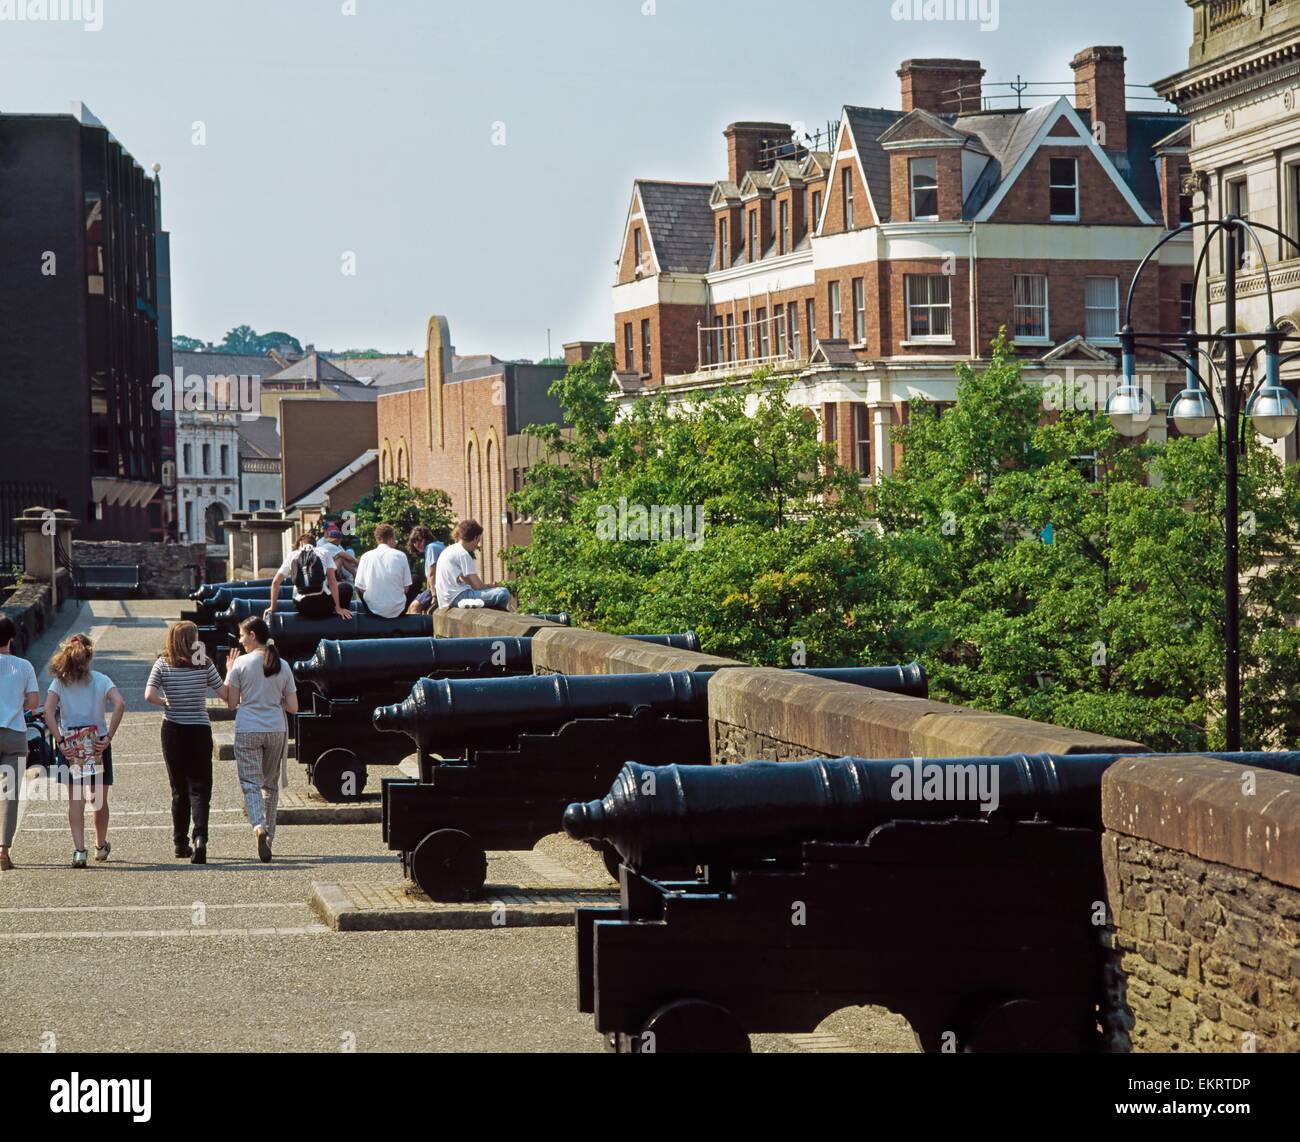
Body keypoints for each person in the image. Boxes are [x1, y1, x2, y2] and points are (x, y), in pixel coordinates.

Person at [144, 621, 228, 864]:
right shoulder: (205, 664)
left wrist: (165, 703)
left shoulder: (163, 664)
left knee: (178, 788)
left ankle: (180, 844)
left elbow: (148, 695)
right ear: (193, 640)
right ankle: (200, 838)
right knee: (200, 788)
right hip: (199, 729)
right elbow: (224, 694)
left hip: (172, 730)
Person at [44, 634, 125, 869]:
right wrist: (109, 736)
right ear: (89, 657)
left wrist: (59, 741)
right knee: (98, 798)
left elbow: (48, 711)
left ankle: (79, 851)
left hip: (70, 743)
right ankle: (100, 845)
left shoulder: (59, 682)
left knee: (75, 800)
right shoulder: (101, 680)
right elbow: (119, 703)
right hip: (96, 742)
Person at [225, 617, 297, 863]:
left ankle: (258, 826)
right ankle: (270, 837)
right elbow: (294, 707)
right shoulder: (283, 665)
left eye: (242, 635)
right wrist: (275, 700)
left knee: (250, 784)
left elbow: (232, 703)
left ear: (253, 635)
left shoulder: (240, 664)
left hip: (248, 728)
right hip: (276, 729)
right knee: (270, 785)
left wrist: (228, 671)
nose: (240, 640)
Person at [0, 617, 39, 872]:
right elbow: (34, 701)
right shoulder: (23, 666)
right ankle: (3, 851)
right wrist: (18, 705)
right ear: (11, 638)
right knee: (9, 794)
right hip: (14, 732)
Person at [266, 531, 354, 622]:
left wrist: (272, 607)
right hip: (324, 606)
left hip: (302, 607)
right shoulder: (324, 552)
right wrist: (338, 607)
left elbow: (276, 582)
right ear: (315, 544)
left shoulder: (292, 555)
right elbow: (332, 582)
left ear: (300, 543)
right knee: (346, 587)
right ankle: (341, 617)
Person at [435, 519, 516, 612]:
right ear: (475, 538)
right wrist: (492, 588)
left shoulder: (450, 549)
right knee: (503, 593)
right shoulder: (463, 554)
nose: (477, 545)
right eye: (478, 540)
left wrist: (488, 587)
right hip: (458, 597)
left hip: (445, 600)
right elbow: (478, 586)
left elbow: (467, 580)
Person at [353, 524, 413, 619]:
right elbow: (406, 588)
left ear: (377, 539)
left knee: (358, 585)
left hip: (372, 610)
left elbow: (360, 588)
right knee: (416, 579)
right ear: (391, 538)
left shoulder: (365, 556)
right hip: (398, 610)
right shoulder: (401, 555)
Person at [406, 526, 446, 614]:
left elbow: (432, 574)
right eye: (414, 542)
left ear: (426, 539)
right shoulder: (438, 545)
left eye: (419, 540)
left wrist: (434, 595)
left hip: (440, 587)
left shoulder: (431, 548)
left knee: (414, 607)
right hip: (441, 586)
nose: (416, 544)